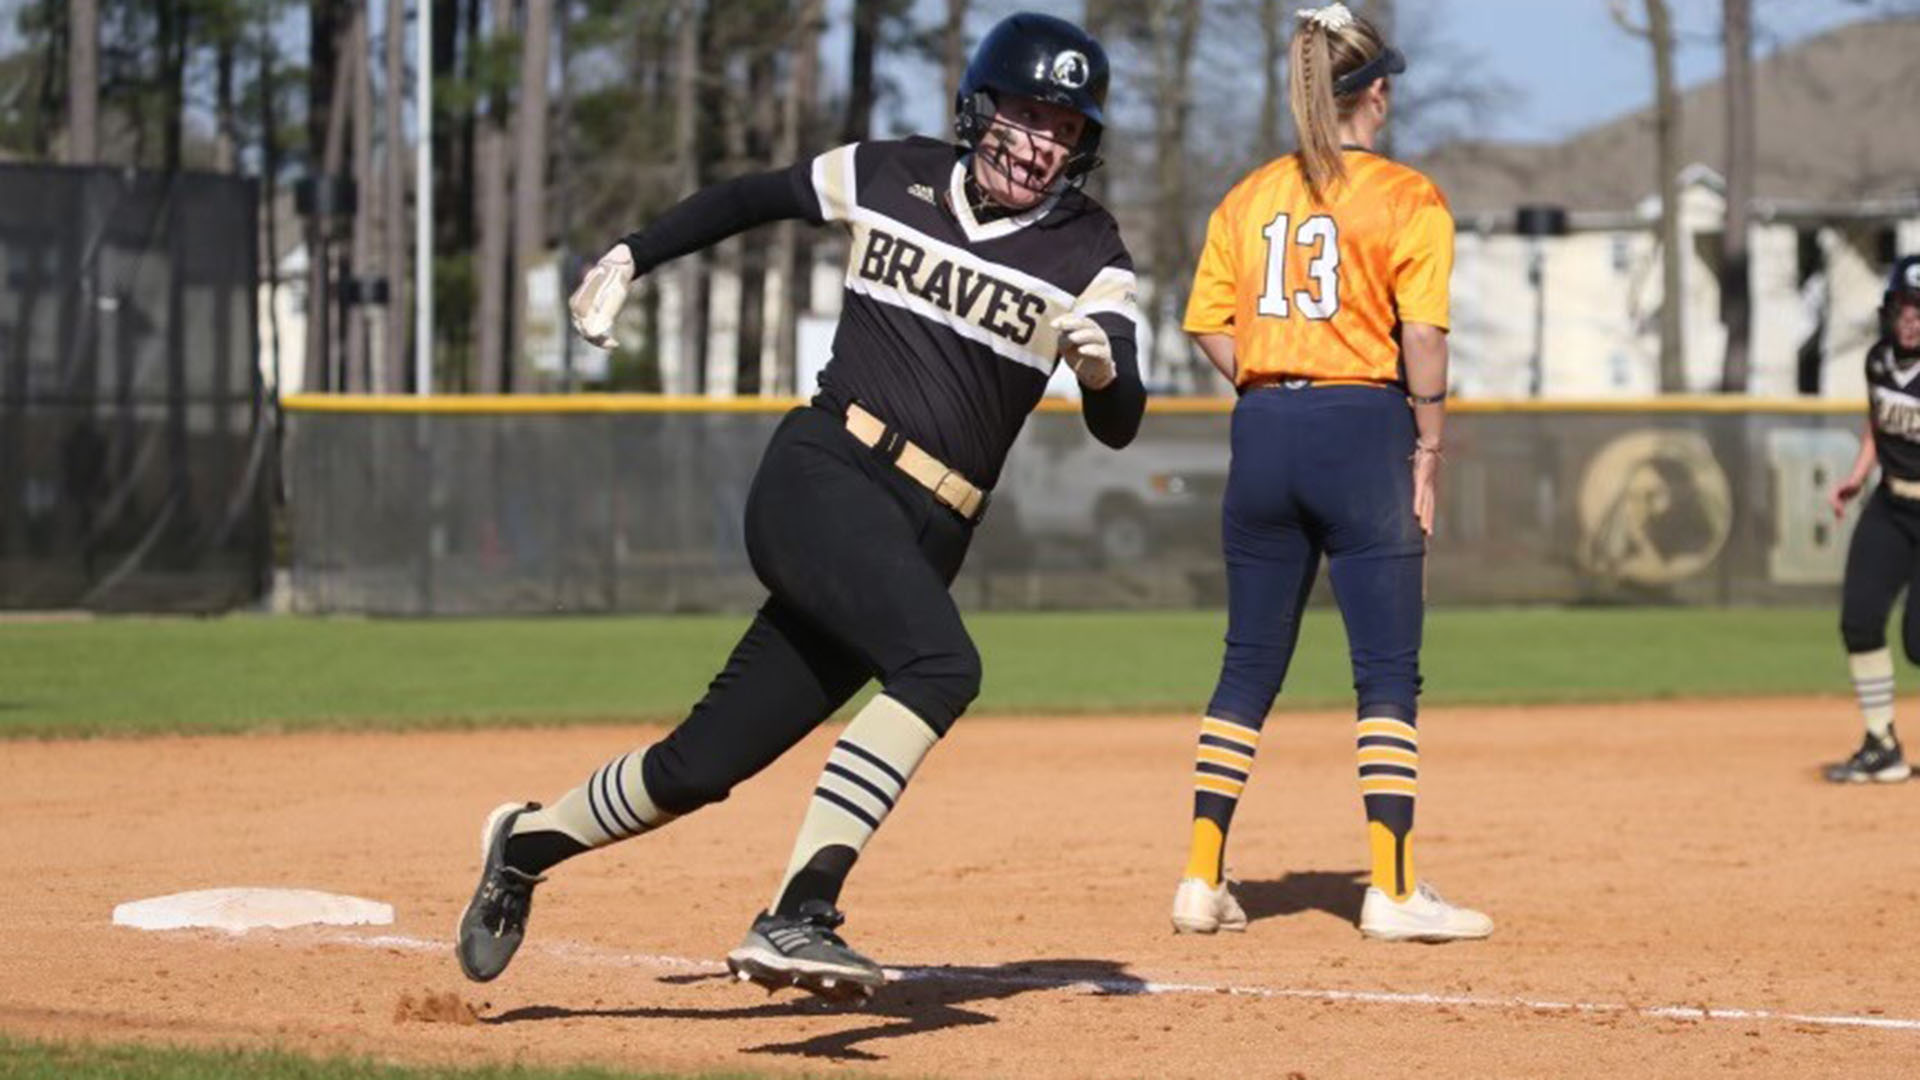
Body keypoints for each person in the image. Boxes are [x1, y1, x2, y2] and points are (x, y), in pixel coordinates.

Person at [454, 12, 1144, 1002]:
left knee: (697, 767)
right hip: (826, 473)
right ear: (980, 109)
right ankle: (800, 911)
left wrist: (1105, 370)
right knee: (942, 665)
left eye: (1065, 129)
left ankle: (521, 847)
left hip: (930, 529)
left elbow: (1119, 423)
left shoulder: (1091, 249)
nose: (1041, 144)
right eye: (1029, 116)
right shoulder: (890, 173)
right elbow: (755, 196)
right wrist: (633, 254)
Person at [1167, 2, 1491, 943]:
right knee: (1385, 667)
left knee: (1246, 665)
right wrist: (1426, 445)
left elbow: (1206, 325)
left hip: (1264, 427)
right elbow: (1422, 336)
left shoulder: (1249, 193)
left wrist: (1275, 389)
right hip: (1361, 426)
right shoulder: (1408, 195)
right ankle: (1391, 888)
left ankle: (1200, 878)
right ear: (1375, 93)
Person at [1824, 254, 1920, 783]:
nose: (1912, 318)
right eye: (1905, 306)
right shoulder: (1880, 361)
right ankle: (1881, 743)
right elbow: (1877, 425)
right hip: (1889, 504)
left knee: (1918, 642)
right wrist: (1858, 475)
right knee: (1859, 620)